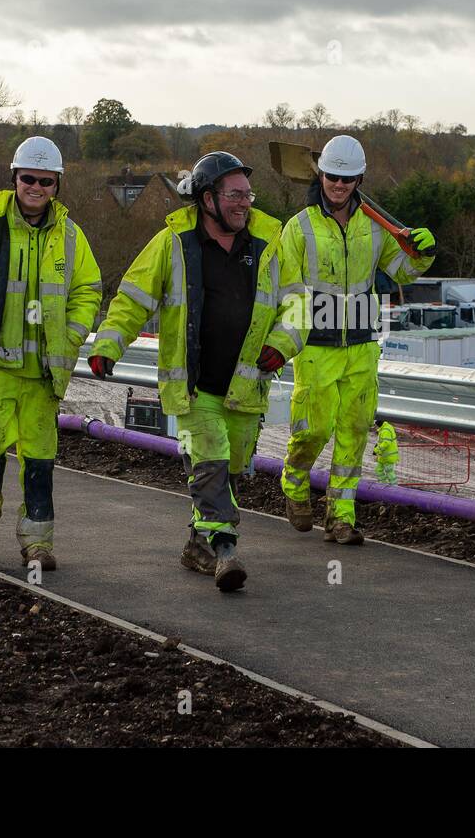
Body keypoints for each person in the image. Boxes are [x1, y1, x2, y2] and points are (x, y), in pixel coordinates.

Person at [88, 151, 305, 591]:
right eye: (235, 195)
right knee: (210, 464)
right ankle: (225, 550)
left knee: (233, 471)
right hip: (192, 387)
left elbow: (298, 305)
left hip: (246, 388)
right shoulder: (173, 244)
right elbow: (133, 298)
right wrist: (108, 345)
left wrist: (282, 346)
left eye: (248, 194)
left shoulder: (269, 243)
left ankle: (196, 544)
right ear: (207, 199)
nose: (245, 203)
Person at [0, 136, 102, 570]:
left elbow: (88, 290)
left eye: (46, 181)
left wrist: (72, 336)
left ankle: (37, 544)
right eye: (29, 178)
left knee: (40, 464)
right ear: (15, 178)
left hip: (44, 375)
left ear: (57, 185)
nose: (36, 187)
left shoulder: (69, 236)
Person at [280, 135, 435, 544]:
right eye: (332, 177)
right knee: (313, 430)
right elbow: (285, 291)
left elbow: (401, 271)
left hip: (363, 345)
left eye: (347, 180)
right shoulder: (299, 228)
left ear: (358, 179)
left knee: (353, 431)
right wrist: (283, 342)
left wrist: (422, 253)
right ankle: (295, 481)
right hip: (315, 345)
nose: (338, 185)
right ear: (321, 175)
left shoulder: (374, 227)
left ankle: (341, 518)